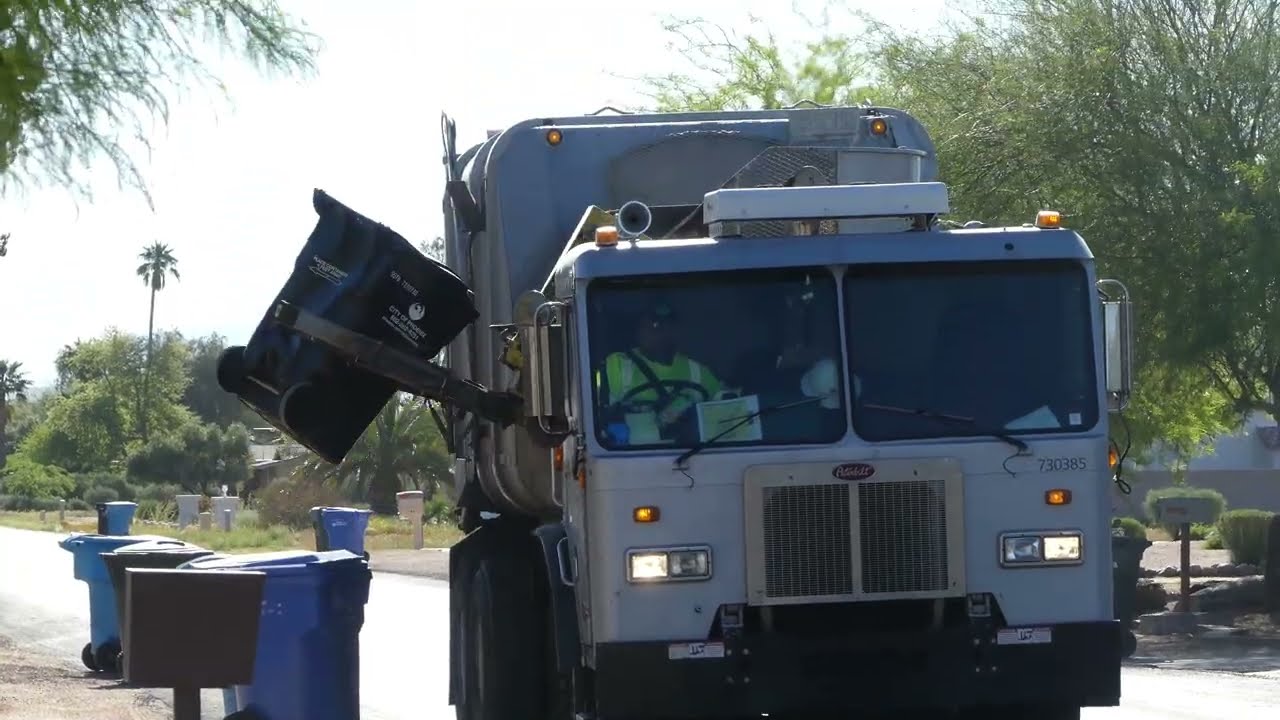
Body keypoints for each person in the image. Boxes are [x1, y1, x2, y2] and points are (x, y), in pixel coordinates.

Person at [597, 301, 724, 445]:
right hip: (631, 454)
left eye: (668, 326)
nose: (661, 332)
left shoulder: (698, 371)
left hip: (692, 452)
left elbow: (727, 409)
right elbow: (597, 411)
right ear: (639, 330)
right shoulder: (617, 365)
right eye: (654, 325)